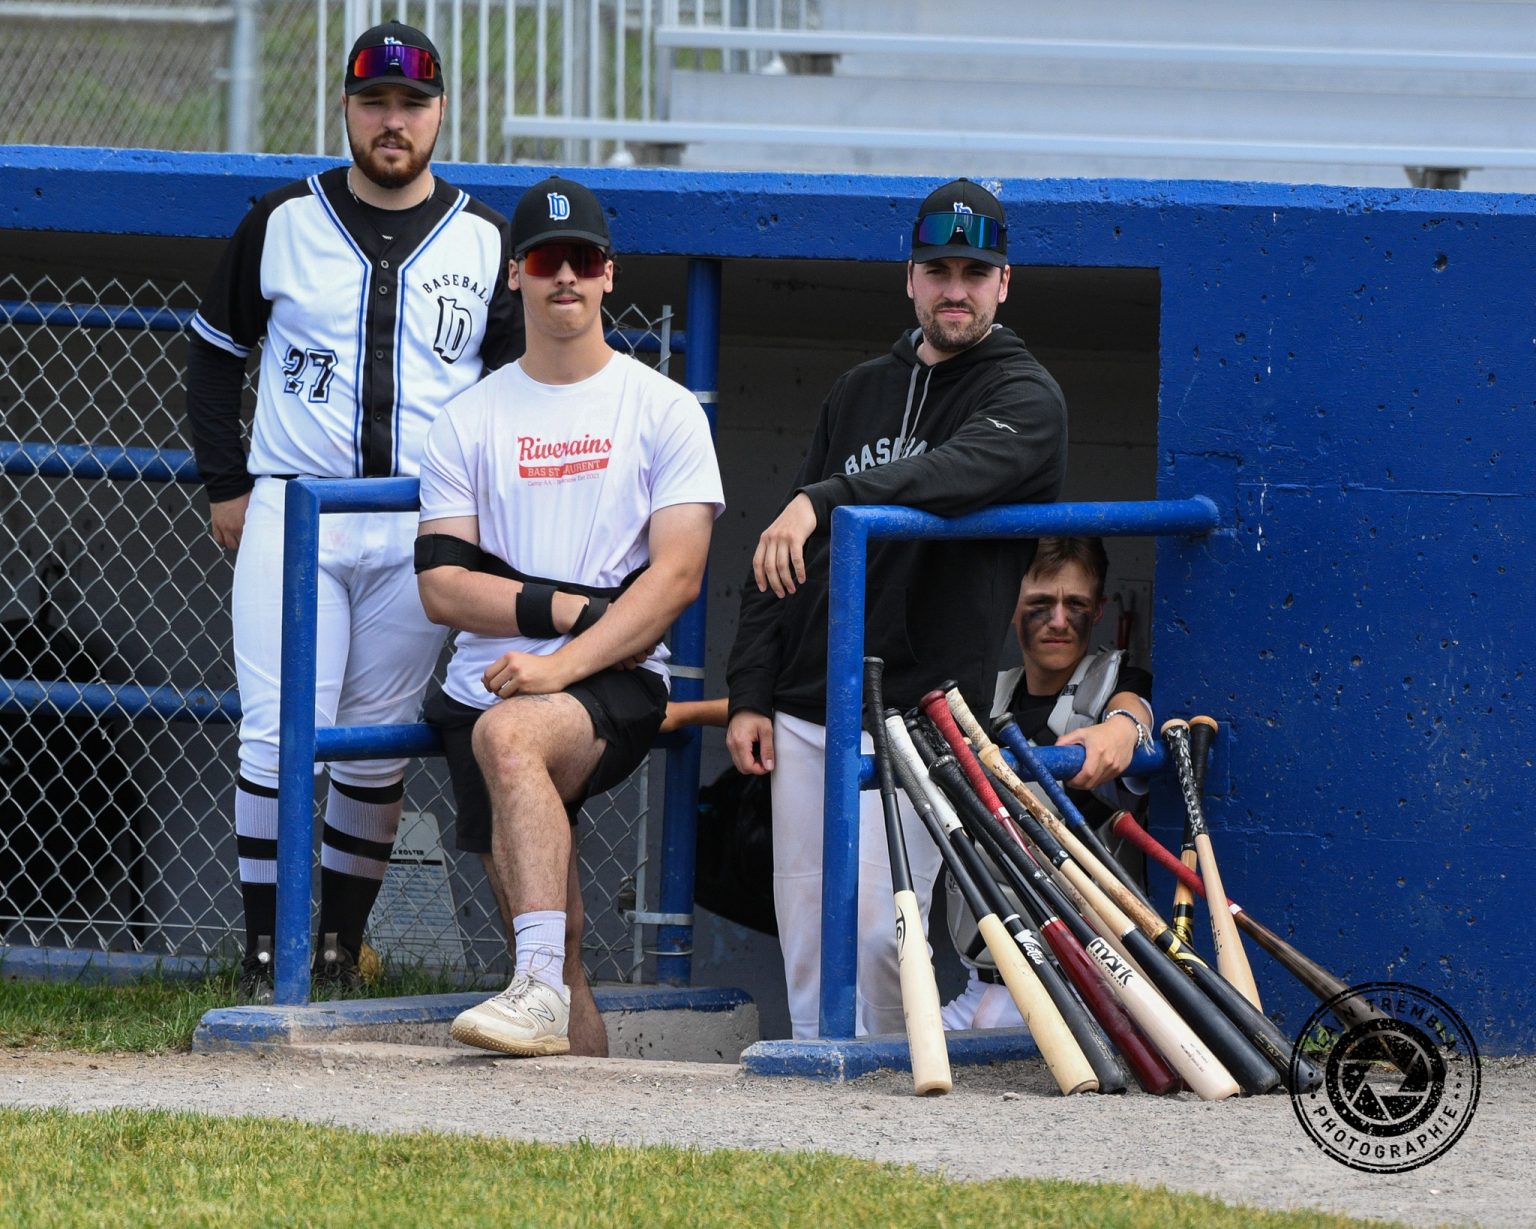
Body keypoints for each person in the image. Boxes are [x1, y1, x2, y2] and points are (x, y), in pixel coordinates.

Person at [182, 20, 524, 1000]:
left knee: (374, 741)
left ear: (440, 112)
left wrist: (482, 518)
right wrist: (227, 483)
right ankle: (262, 954)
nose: (392, 120)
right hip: (296, 512)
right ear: (345, 106)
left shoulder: (483, 235)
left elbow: (512, 387)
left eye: (412, 104)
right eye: (374, 101)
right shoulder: (282, 219)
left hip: (420, 522)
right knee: (275, 732)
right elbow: (214, 351)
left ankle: (335, 948)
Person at [725, 178, 1068, 1039]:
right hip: (807, 706)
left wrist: (830, 495)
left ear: (1005, 282)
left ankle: (872, 1091)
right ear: (909, 278)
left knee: (881, 932)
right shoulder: (858, 391)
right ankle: (817, 1092)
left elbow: (948, 474)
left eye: (975, 272)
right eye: (938, 270)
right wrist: (749, 689)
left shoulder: (1026, 396)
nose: (956, 289)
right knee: (807, 935)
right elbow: (782, 547)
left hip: (919, 712)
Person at [415, 175, 724, 1058]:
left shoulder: (660, 407)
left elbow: (676, 579)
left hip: (611, 680)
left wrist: (560, 658)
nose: (565, 278)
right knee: (560, 930)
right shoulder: (467, 417)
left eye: (582, 260)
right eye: (547, 260)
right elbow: (443, 584)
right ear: (515, 274)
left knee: (513, 737)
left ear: (609, 275)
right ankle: (578, 1105)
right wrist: (553, 611)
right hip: (480, 685)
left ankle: (537, 989)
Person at [941, 535, 1154, 1031]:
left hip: (1084, 981)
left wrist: (1121, 728)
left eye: (1075, 604)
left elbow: (1133, 710)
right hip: (984, 981)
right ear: (1012, 607)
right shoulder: (984, 697)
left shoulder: (1118, 686)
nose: (1058, 621)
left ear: (1099, 609)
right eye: (1041, 604)